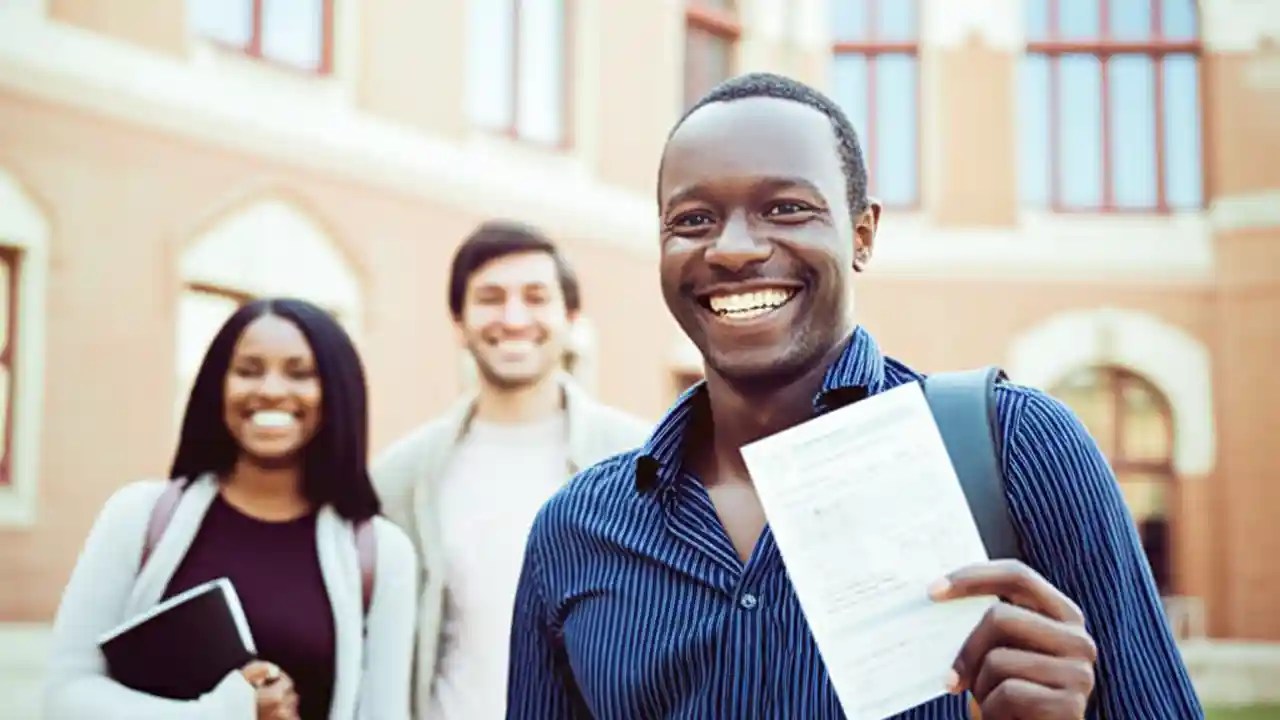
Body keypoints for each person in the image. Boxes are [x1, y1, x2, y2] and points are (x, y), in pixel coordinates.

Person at [506, 73, 1203, 719]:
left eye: (786, 208)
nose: (733, 249)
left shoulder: (1017, 451)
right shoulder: (575, 532)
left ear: (862, 234)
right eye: (692, 220)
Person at [45, 298, 417, 720]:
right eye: (248, 370)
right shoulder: (137, 517)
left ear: (336, 390)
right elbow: (65, 697)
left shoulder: (381, 554)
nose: (271, 390)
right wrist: (225, 712)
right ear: (217, 386)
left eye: (300, 373)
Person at [371, 221, 649, 719]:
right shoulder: (402, 477)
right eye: (491, 298)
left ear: (570, 318)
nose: (514, 318)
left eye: (536, 297)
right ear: (459, 322)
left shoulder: (640, 458)